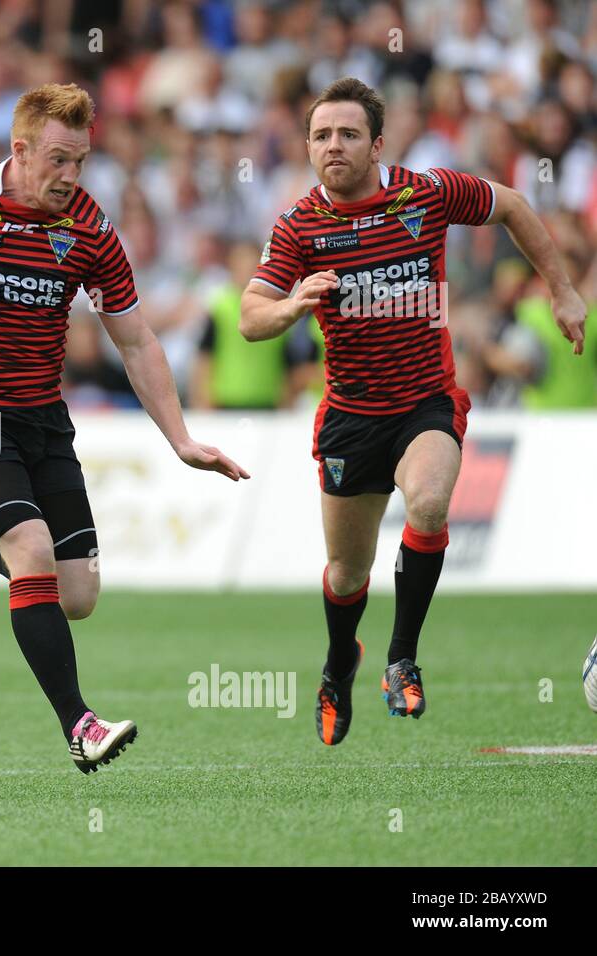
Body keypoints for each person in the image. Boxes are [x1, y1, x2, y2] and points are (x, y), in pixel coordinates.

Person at [0, 83, 248, 773]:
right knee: (30, 546)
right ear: (20, 148)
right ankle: (80, 726)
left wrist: (181, 439)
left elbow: (139, 340)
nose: (70, 175)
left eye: (81, 161)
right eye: (58, 159)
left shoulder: (89, 228)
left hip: (42, 419)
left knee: (78, 595)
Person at [241, 77, 587, 745]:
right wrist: (293, 305)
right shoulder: (298, 225)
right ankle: (341, 663)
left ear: (376, 144)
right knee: (348, 572)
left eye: (346, 134)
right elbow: (254, 315)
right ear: (307, 147)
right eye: (320, 135)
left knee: (428, 503)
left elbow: (512, 203)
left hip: (426, 400)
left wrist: (563, 290)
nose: (332, 146)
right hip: (349, 414)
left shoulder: (423, 194)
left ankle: (402, 658)